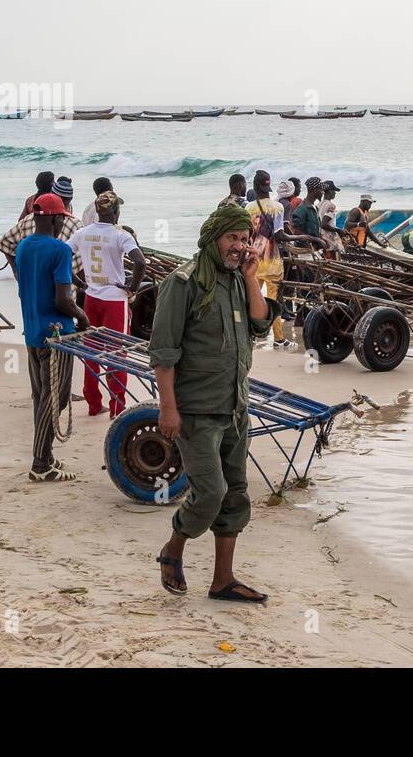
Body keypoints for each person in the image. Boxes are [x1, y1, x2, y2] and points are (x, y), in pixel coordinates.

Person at [149, 205, 279, 602]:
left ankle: (223, 580)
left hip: (235, 407)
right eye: (231, 239)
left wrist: (252, 278)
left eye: (244, 239)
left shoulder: (239, 281)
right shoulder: (183, 283)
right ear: (212, 239)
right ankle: (174, 548)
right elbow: (164, 351)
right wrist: (167, 408)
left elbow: (261, 324)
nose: (239, 246)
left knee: (235, 493)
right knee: (210, 493)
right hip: (196, 410)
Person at [12, 193, 90, 482]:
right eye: (62, 219)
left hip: (32, 332)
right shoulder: (59, 250)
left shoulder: (23, 247)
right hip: (57, 334)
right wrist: (82, 316)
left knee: (41, 397)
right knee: (56, 398)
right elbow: (62, 300)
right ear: (56, 218)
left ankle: (45, 456)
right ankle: (41, 463)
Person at [68, 191, 146, 417]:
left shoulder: (82, 233)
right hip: (114, 300)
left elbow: (63, 255)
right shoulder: (121, 235)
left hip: (91, 297)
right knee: (117, 353)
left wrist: (77, 281)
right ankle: (117, 408)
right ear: (116, 212)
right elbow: (139, 261)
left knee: (91, 351)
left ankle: (93, 402)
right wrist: (134, 287)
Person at [243, 170, 292, 349]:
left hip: (253, 262)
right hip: (273, 263)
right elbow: (279, 235)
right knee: (275, 302)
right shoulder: (277, 207)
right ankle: (278, 339)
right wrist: (303, 239)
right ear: (267, 186)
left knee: (251, 300)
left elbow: (247, 234)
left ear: (255, 187)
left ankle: (251, 336)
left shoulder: (248, 208)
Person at [1, 176, 82, 274]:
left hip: (30, 284)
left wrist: (17, 272)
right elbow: (81, 264)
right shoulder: (76, 225)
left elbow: (5, 242)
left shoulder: (29, 218)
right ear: (70, 200)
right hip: (63, 285)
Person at [292, 176, 324, 240]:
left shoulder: (315, 208)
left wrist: (323, 239)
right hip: (305, 248)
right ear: (314, 190)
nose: (323, 192)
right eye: (321, 189)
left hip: (315, 247)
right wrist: (317, 240)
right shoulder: (302, 209)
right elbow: (297, 233)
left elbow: (316, 231)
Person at [317, 180, 344, 257]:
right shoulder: (331, 206)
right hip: (330, 241)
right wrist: (339, 230)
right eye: (334, 191)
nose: (335, 193)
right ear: (329, 191)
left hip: (321, 238)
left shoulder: (319, 204)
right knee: (335, 262)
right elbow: (324, 224)